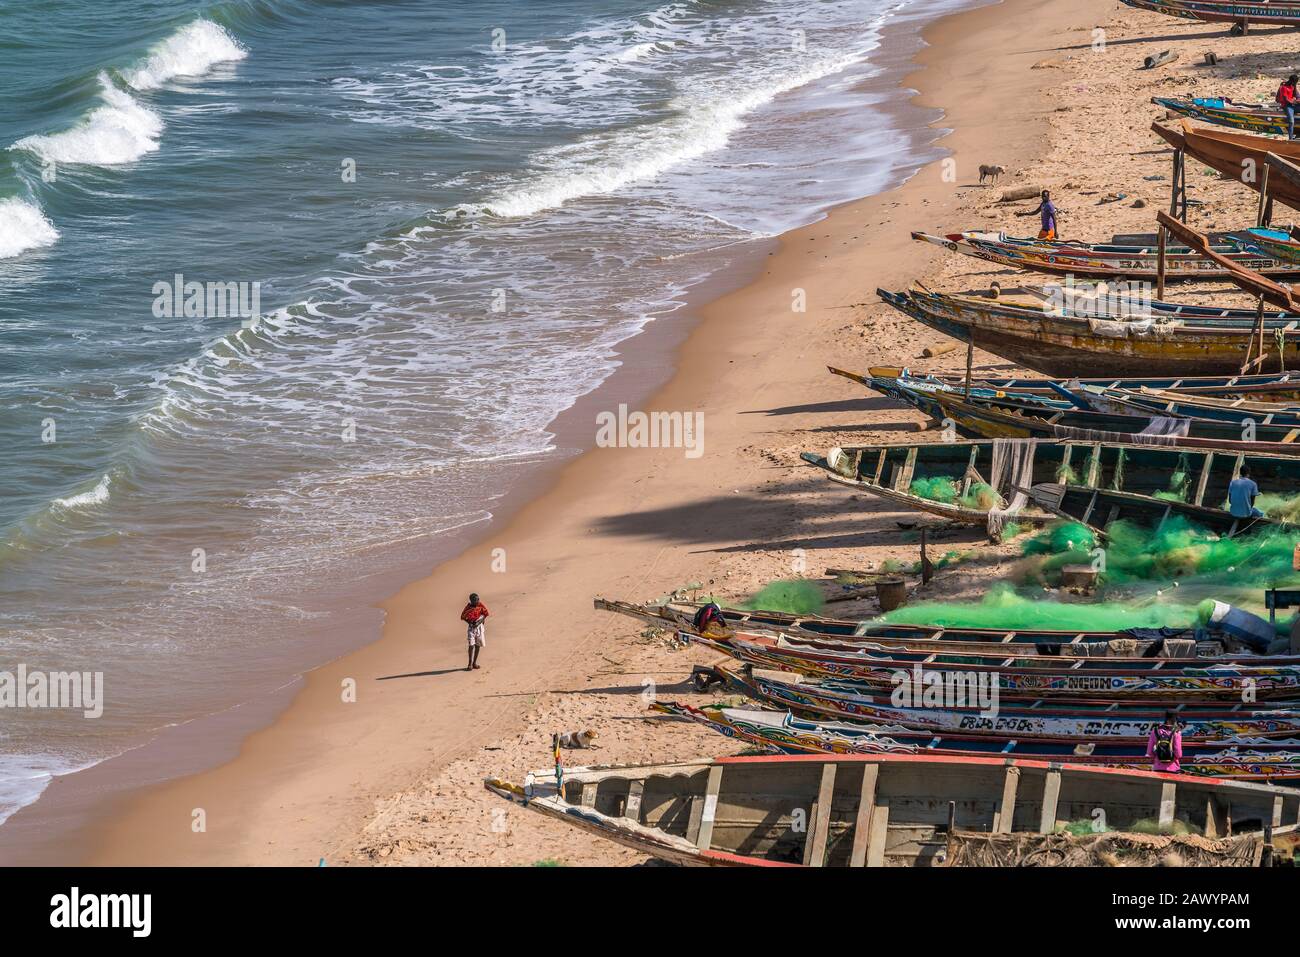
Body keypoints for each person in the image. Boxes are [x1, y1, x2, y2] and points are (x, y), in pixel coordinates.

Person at [460, 592, 489, 671]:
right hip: (471, 628)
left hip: (479, 627)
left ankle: (474, 663)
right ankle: (469, 663)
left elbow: (485, 614)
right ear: (471, 601)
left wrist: (479, 622)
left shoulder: (480, 605)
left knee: (477, 645)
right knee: (471, 645)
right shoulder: (468, 607)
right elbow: (463, 616)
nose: (478, 601)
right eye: (476, 600)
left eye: (478, 599)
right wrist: (470, 623)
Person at [1278, 74, 1299, 140]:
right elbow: (1285, 99)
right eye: (1295, 82)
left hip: (1293, 104)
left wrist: (1298, 99)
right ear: (1292, 81)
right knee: (1291, 122)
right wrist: (1294, 102)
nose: (1295, 84)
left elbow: (1296, 95)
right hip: (1287, 106)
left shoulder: (1293, 86)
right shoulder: (1284, 87)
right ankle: (1290, 138)